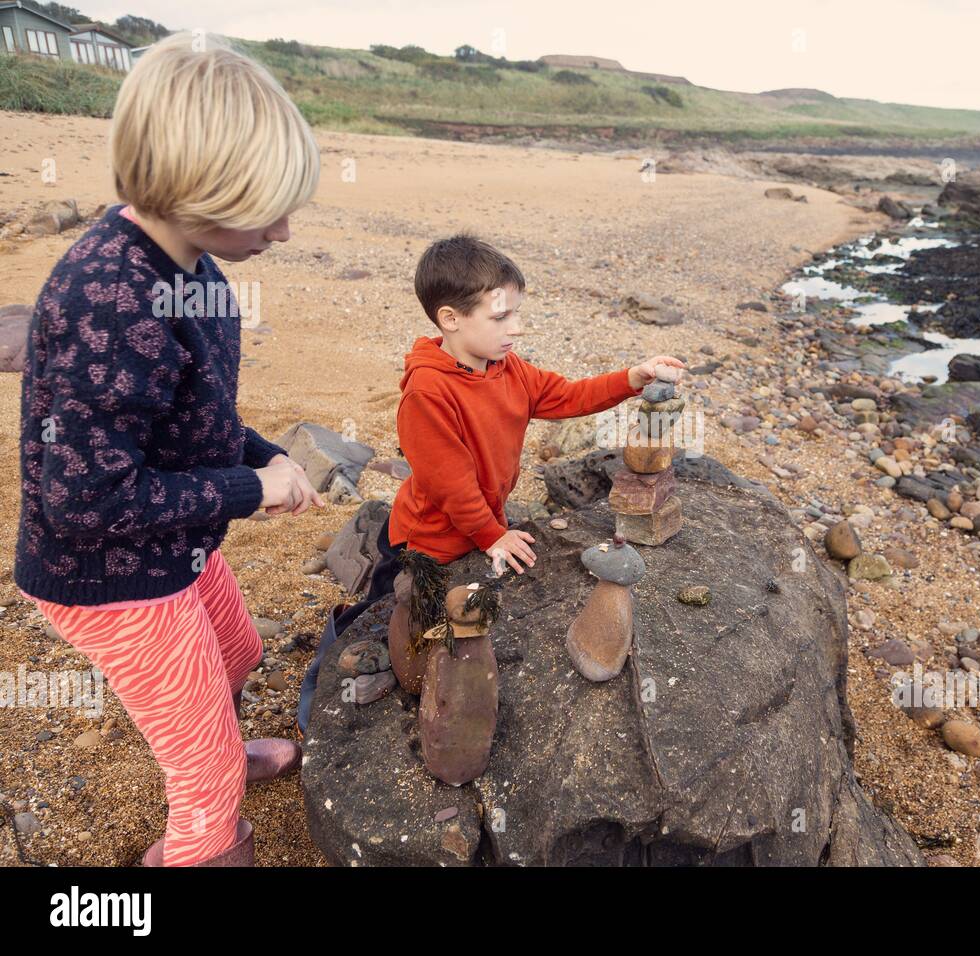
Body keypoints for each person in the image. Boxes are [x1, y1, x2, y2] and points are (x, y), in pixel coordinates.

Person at [14, 32, 324, 867]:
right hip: (105, 575)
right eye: (270, 210)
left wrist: (261, 459)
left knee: (239, 649)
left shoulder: (186, 260)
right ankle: (205, 836)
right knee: (208, 779)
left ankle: (203, 733)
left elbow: (190, 412)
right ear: (201, 192)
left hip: (164, 547)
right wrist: (247, 490)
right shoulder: (109, 304)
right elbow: (85, 501)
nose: (287, 232)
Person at [296, 234, 684, 731]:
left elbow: (565, 395)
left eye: (516, 314)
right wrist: (493, 535)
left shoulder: (507, 368)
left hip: (477, 528)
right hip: (426, 539)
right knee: (388, 615)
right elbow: (450, 486)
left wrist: (633, 376)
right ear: (450, 319)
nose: (516, 329)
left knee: (451, 623)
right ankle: (322, 695)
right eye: (500, 318)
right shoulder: (428, 394)